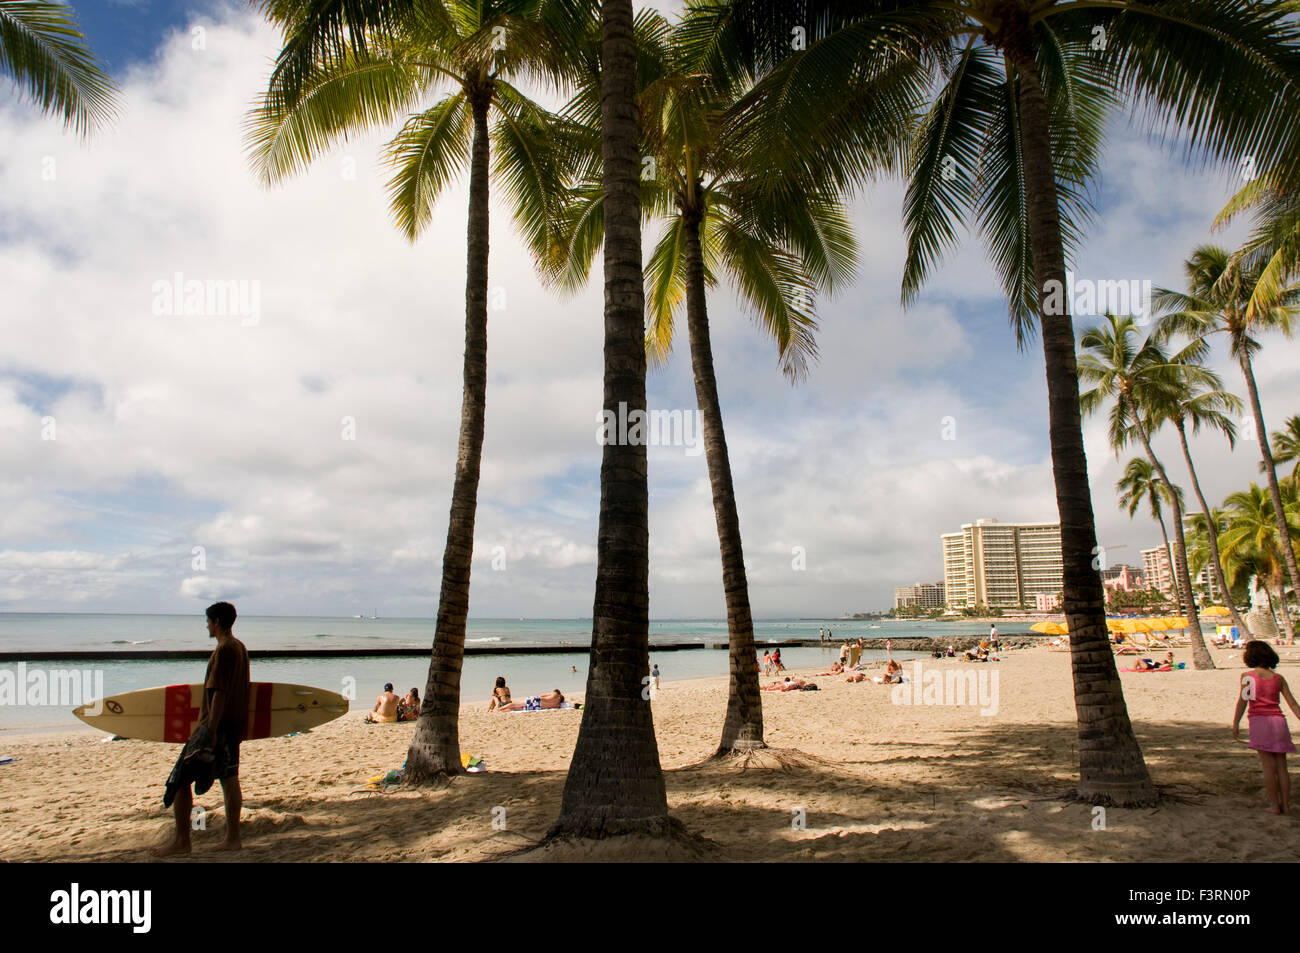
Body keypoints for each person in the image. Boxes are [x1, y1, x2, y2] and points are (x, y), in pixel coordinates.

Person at [153, 601, 249, 856]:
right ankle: (233, 839)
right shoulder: (239, 647)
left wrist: (210, 731)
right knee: (229, 780)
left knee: (180, 781)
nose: (206, 625)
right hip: (233, 726)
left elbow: (219, 693)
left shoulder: (224, 650)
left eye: (208, 620)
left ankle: (182, 841)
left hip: (214, 727)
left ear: (217, 621)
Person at [1232, 640, 1300, 814]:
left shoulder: (1248, 677)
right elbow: (1292, 704)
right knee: (1282, 767)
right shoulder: (1278, 678)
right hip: (1279, 722)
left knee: (1268, 767)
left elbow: (1243, 701)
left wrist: (1236, 722)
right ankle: (1286, 805)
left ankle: (1275, 806)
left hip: (1259, 722)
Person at [495, 689, 566, 712]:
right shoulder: (558, 705)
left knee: (515, 705)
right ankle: (501, 710)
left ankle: (499, 709)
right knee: (516, 708)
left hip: (536, 701)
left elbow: (541, 696)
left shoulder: (555, 694)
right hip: (537, 707)